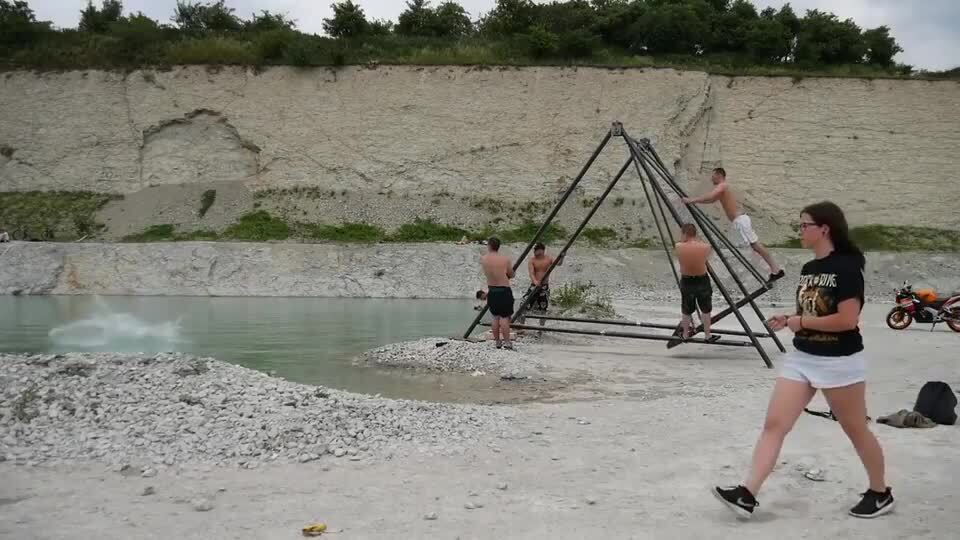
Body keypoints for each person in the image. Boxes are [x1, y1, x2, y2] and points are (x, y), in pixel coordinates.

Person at [713, 201, 894, 520]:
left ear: (824, 229)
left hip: (839, 361)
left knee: (855, 430)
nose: (800, 231)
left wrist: (803, 323)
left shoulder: (848, 268)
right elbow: (811, 311)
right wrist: (790, 318)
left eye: (804, 225)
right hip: (802, 357)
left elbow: (847, 320)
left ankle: (880, 493)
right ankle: (747, 493)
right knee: (774, 425)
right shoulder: (810, 269)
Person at [681, 167, 784, 283]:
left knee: (756, 246)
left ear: (719, 175)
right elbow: (710, 200)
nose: (711, 178)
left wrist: (691, 200)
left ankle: (776, 270)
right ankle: (773, 269)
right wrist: (692, 201)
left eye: (713, 175)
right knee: (753, 247)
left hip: (740, 220)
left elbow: (710, 196)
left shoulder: (722, 186)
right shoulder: (721, 189)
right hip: (738, 221)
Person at [675, 223, 719, 342]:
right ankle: (707, 335)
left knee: (686, 309)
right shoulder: (705, 247)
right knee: (706, 309)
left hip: (687, 280)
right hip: (702, 279)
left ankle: (685, 334)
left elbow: (681, 242)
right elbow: (708, 254)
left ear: (684, 233)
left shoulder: (678, 246)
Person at [479, 236, 516, 350]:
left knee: (495, 317)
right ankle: (507, 342)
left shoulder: (484, 259)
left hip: (492, 290)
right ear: (498, 246)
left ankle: (498, 342)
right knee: (504, 318)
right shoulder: (505, 259)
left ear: (489, 245)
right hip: (504, 290)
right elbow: (511, 274)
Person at [524, 242, 564, 327]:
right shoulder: (532, 260)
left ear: (541, 250)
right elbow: (531, 273)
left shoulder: (548, 259)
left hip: (544, 286)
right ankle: (521, 325)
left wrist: (562, 256)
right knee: (524, 304)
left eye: (536, 250)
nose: (534, 252)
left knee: (543, 308)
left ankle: (541, 328)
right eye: (534, 250)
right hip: (534, 285)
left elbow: (559, 263)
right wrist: (535, 281)